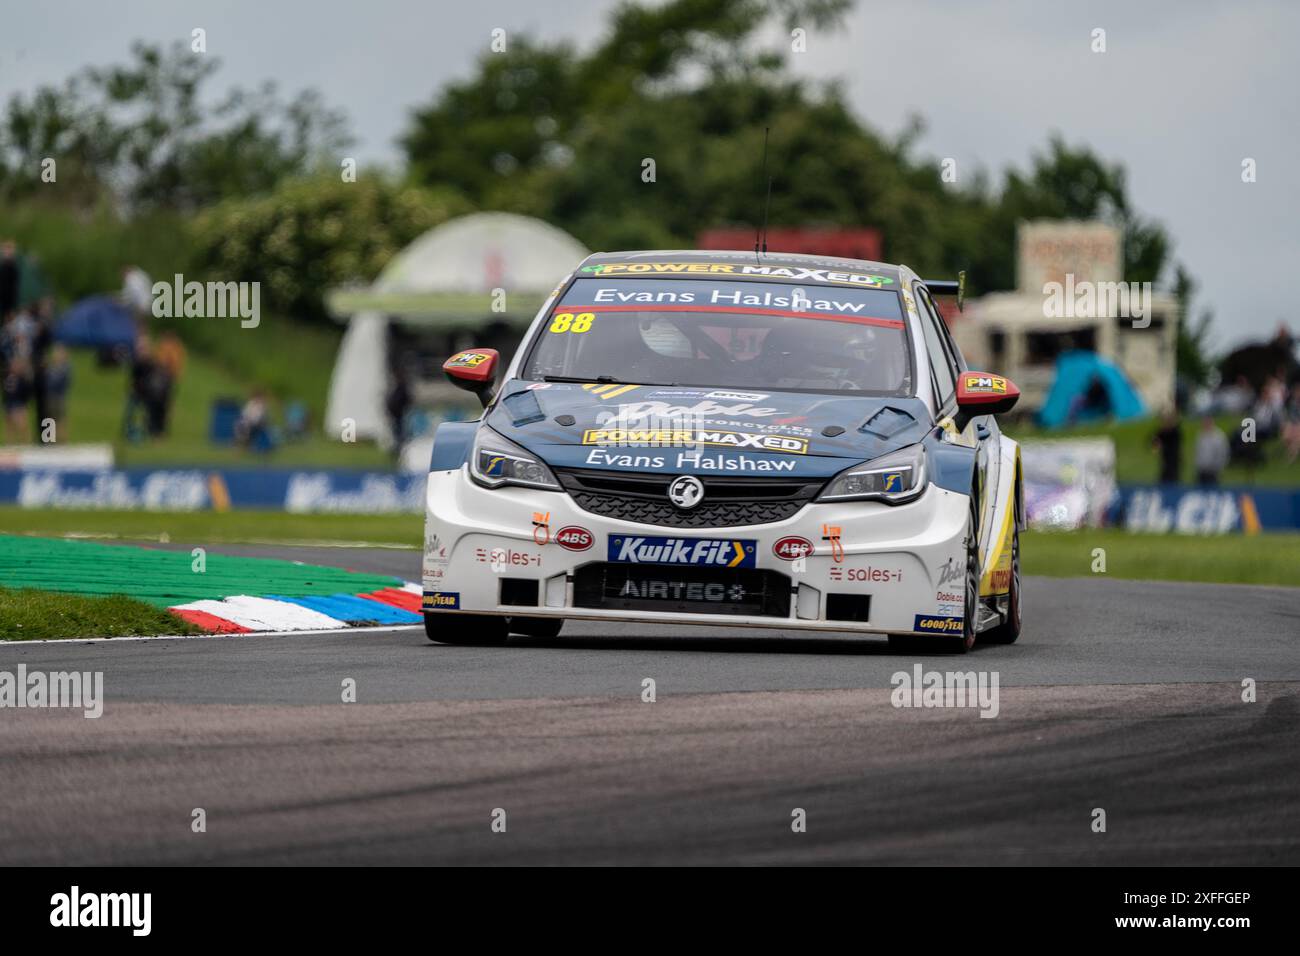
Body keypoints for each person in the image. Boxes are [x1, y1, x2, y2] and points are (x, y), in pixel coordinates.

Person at [43, 343, 72, 439]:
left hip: (59, 396)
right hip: (50, 395)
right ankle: (51, 439)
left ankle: (62, 439)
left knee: (60, 418)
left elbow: (62, 382)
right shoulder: (52, 367)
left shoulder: (65, 367)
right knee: (50, 418)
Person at [1193, 415, 1229, 486]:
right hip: (1201, 470)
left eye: (1207, 423)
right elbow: (1197, 452)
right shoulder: (1200, 435)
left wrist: (1219, 467)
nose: (1205, 425)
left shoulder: (1219, 437)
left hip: (1213, 471)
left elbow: (1223, 453)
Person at [1151, 409, 1183, 484]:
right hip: (1165, 464)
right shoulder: (1161, 433)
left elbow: (1174, 445)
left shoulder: (1175, 433)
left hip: (1174, 464)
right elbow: (1154, 446)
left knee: (1173, 482)